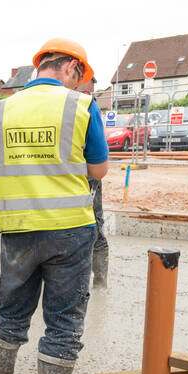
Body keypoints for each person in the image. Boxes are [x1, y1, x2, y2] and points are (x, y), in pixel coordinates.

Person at [0, 38, 109, 374]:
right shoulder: (81, 105)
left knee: (13, 305)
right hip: (69, 231)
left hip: (17, 229)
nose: (78, 85)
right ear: (70, 68)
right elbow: (99, 170)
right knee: (64, 318)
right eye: (78, 77)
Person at [78, 73, 107, 287]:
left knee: (94, 227)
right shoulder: (84, 104)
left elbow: (98, 163)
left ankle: (99, 280)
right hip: (79, 176)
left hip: (87, 177)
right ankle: (94, 282)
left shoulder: (88, 104)